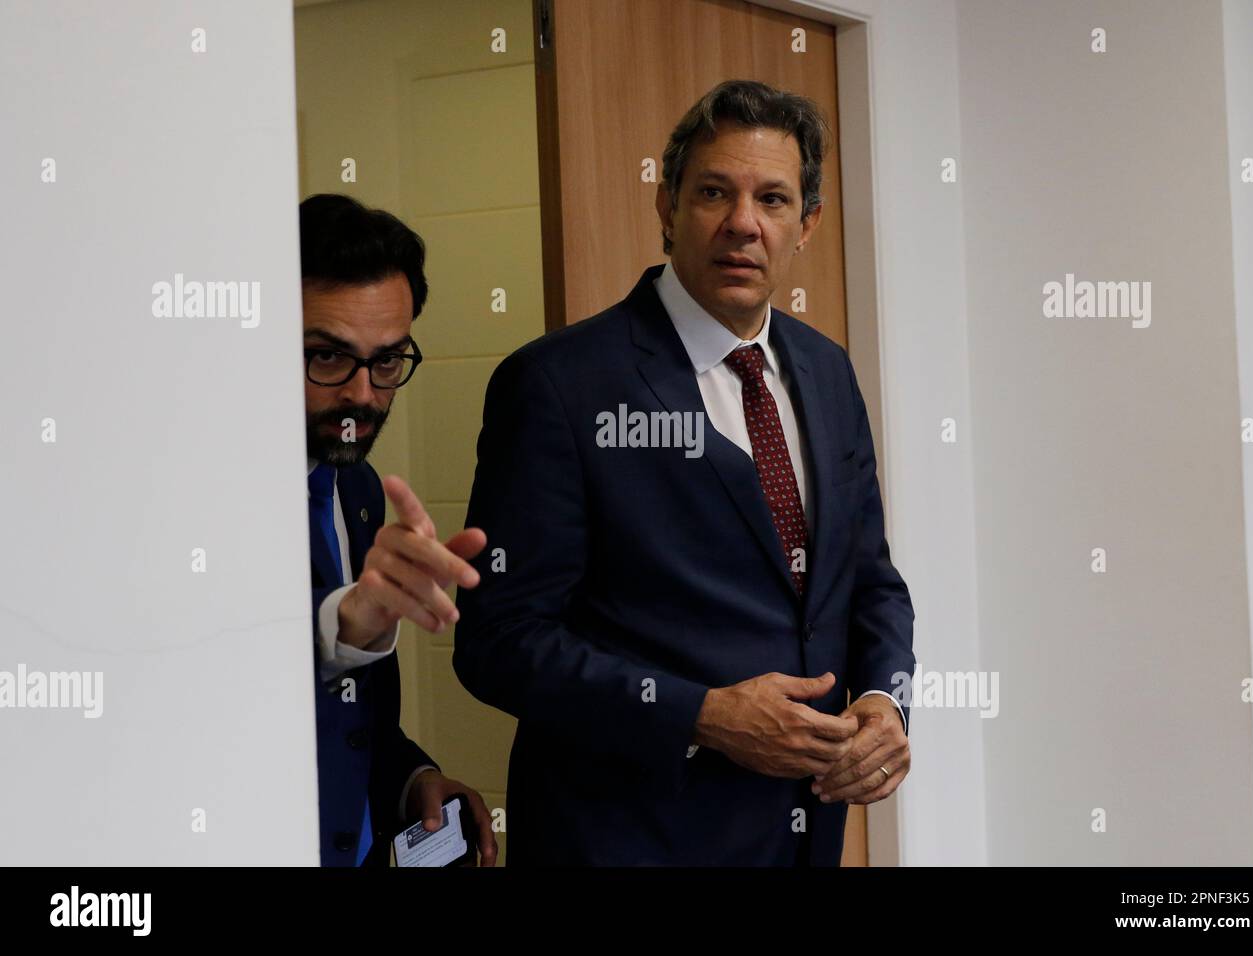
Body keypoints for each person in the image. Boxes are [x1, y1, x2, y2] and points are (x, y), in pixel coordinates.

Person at [454, 81, 915, 866]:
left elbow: (869, 581)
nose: (742, 223)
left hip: (802, 834)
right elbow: (499, 640)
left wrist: (884, 702)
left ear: (806, 225)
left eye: (772, 199)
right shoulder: (561, 385)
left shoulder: (828, 372)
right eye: (712, 192)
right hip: (625, 838)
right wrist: (698, 713)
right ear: (666, 206)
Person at [300, 194, 497, 866]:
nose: (361, 394)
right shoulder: (190, 495)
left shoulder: (356, 488)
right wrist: (343, 626)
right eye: (327, 357)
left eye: (387, 362)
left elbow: (351, 718)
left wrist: (410, 780)